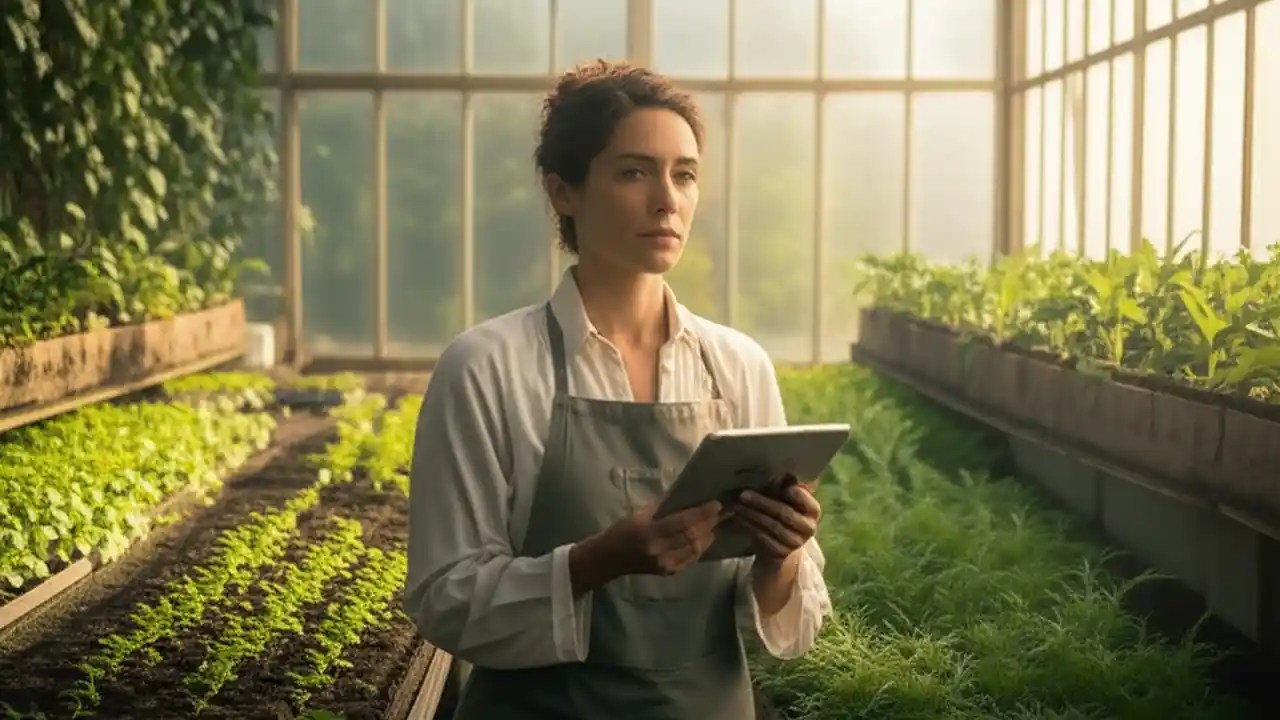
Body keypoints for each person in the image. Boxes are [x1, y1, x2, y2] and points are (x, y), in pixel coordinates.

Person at [403, 59, 832, 719]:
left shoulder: (737, 365)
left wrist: (783, 553)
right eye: (635, 172)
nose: (667, 199)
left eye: (684, 174)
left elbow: (784, 626)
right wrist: (593, 562)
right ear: (562, 191)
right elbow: (445, 599)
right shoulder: (487, 368)